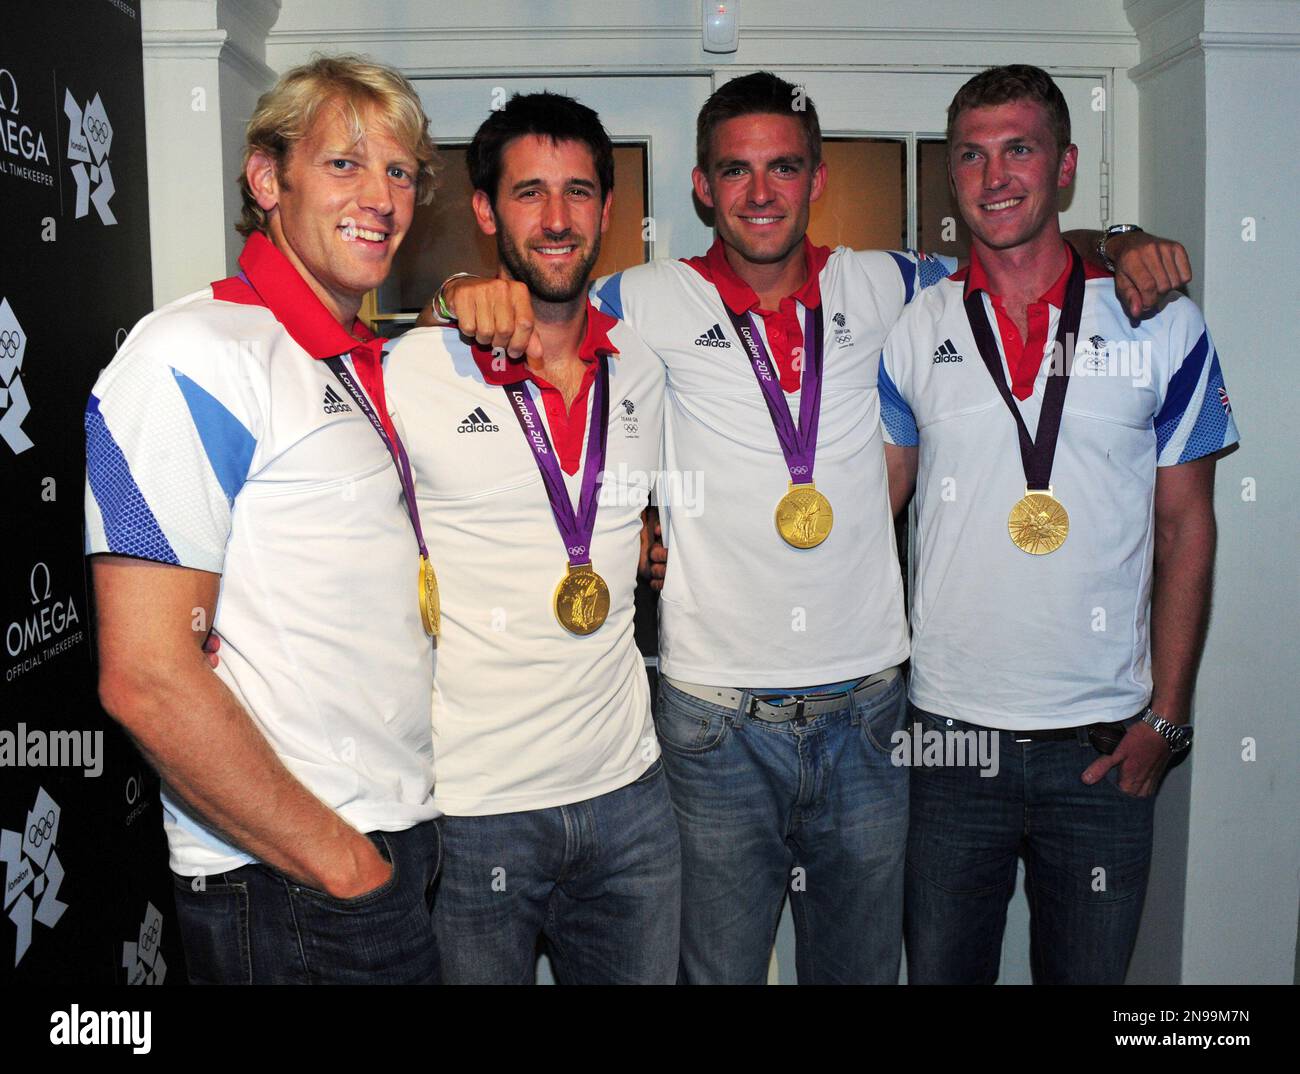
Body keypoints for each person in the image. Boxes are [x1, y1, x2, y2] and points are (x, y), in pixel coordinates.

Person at [430, 72, 1190, 984]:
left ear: (817, 180)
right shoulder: (642, 301)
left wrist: (1117, 240)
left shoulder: (890, 286)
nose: (761, 193)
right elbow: (536, 292)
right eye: (736, 172)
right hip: (712, 725)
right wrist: (458, 290)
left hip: (869, 721)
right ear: (703, 187)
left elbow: (1014, 244)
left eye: (784, 168)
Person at [84, 56, 442, 984]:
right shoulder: (190, 352)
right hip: (291, 883)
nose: (382, 197)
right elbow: (148, 678)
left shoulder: (346, 357)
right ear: (265, 179)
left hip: (387, 841)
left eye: (400, 171)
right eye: (345, 165)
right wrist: (342, 866)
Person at [879, 64, 1238, 984]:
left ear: (1065, 165)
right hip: (947, 742)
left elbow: (1186, 530)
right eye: (972, 156)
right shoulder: (914, 326)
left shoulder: (1162, 324)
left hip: (1104, 750)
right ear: (951, 177)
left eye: (1020, 150)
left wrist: (1170, 719)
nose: (995, 177)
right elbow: (872, 514)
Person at [384, 92, 679, 984]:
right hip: (476, 812)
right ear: (484, 210)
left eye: (580, 192)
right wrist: (445, 297)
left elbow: (633, 519)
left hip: (629, 797)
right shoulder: (413, 372)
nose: (557, 220)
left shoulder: (644, 369)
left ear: (609, 210)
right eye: (528, 194)